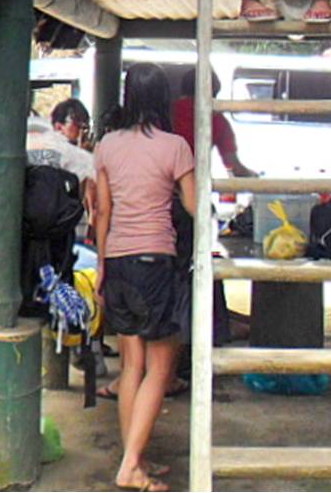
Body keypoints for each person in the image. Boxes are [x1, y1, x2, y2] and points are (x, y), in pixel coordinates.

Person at [93, 63, 195, 493]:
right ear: (162, 99)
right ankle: (131, 466)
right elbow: (193, 206)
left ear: (128, 95)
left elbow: (102, 211)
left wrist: (101, 266)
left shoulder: (107, 145)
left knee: (131, 367)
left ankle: (133, 456)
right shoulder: (175, 146)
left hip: (117, 262)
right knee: (161, 368)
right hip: (155, 263)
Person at [170, 68, 257, 178]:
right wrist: (253, 176)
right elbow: (234, 167)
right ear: (213, 93)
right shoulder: (217, 119)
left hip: (162, 179)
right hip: (195, 181)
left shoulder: (168, 111)